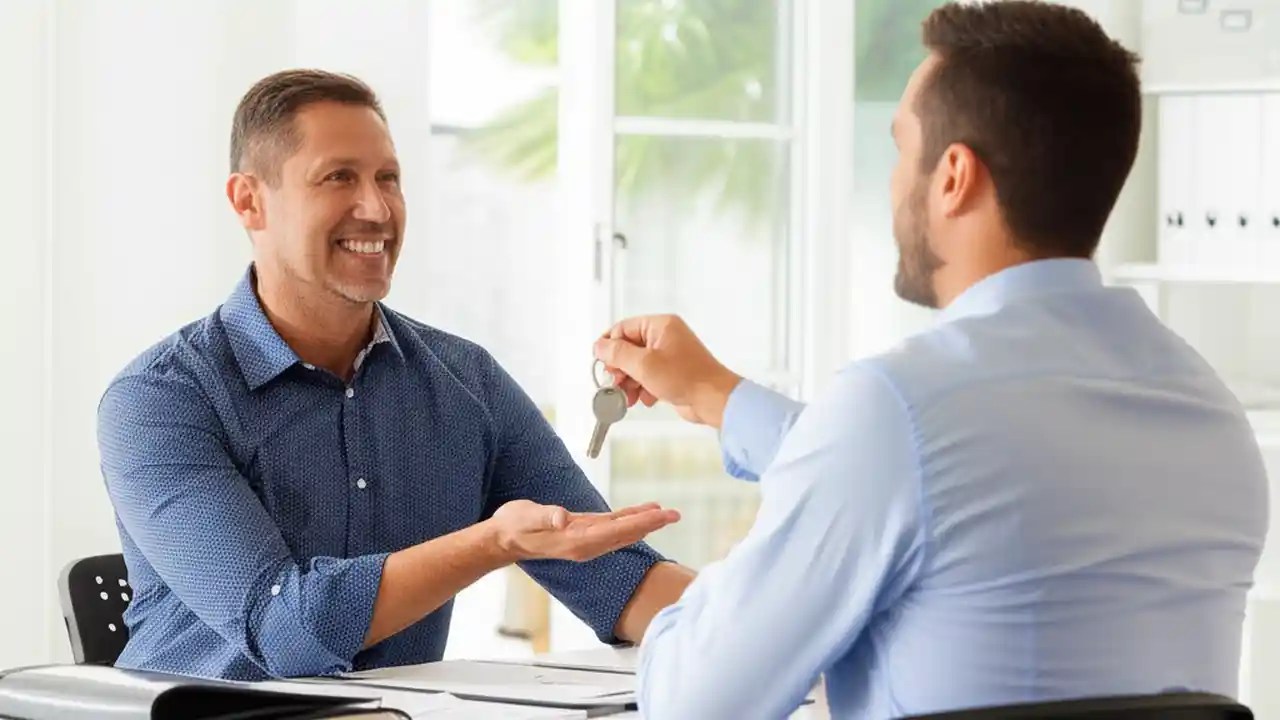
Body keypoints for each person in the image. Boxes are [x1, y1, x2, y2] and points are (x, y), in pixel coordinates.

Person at [593, 2, 1270, 718]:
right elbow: (949, 477)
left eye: (899, 148)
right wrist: (719, 396)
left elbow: (695, 701)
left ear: (953, 176)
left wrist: (718, 594)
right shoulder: (1211, 416)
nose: (892, 184)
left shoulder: (896, 408)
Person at [97, 69, 694, 681]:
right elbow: (282, 632)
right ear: (250, 200)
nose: (377, 208)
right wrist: (491, 543)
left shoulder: (467, 382)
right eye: (338, 178)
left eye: (389, 178)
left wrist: (779, 619)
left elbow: (617, 580)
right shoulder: (160, 399)